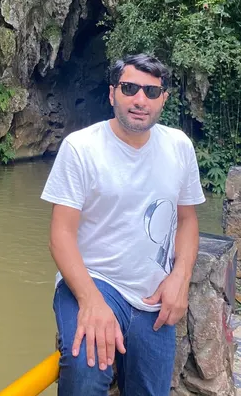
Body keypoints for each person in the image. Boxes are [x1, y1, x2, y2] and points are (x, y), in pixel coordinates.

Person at [40, 53, 205, 396]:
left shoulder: (179, 146)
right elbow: (60, 235)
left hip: (152, 295)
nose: (140, 99)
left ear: (163, 99)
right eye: (130, 88)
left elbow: (187, 220)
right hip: (95, 279)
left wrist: (180, 277)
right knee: (85, 373)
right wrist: (91, 300)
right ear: (112, 92)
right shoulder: (81, 147)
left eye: (151, 91)